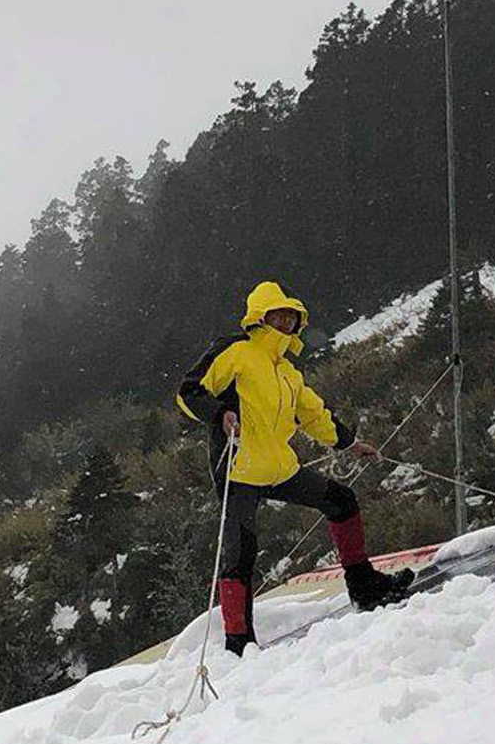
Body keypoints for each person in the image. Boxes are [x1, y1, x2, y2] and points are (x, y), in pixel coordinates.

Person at [174, 279, 417, 654]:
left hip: (279, 467)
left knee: (341, 501)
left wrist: (349, 444)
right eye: (279, 314)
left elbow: (312, 412)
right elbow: (189, 390)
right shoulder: (236, 350)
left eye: (292, 315)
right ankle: (238, 642)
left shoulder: (287, 370)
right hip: (239, 470)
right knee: (240, 554)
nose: (286, 320)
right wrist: (220, 413)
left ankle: (364, 587)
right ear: (261, 316)